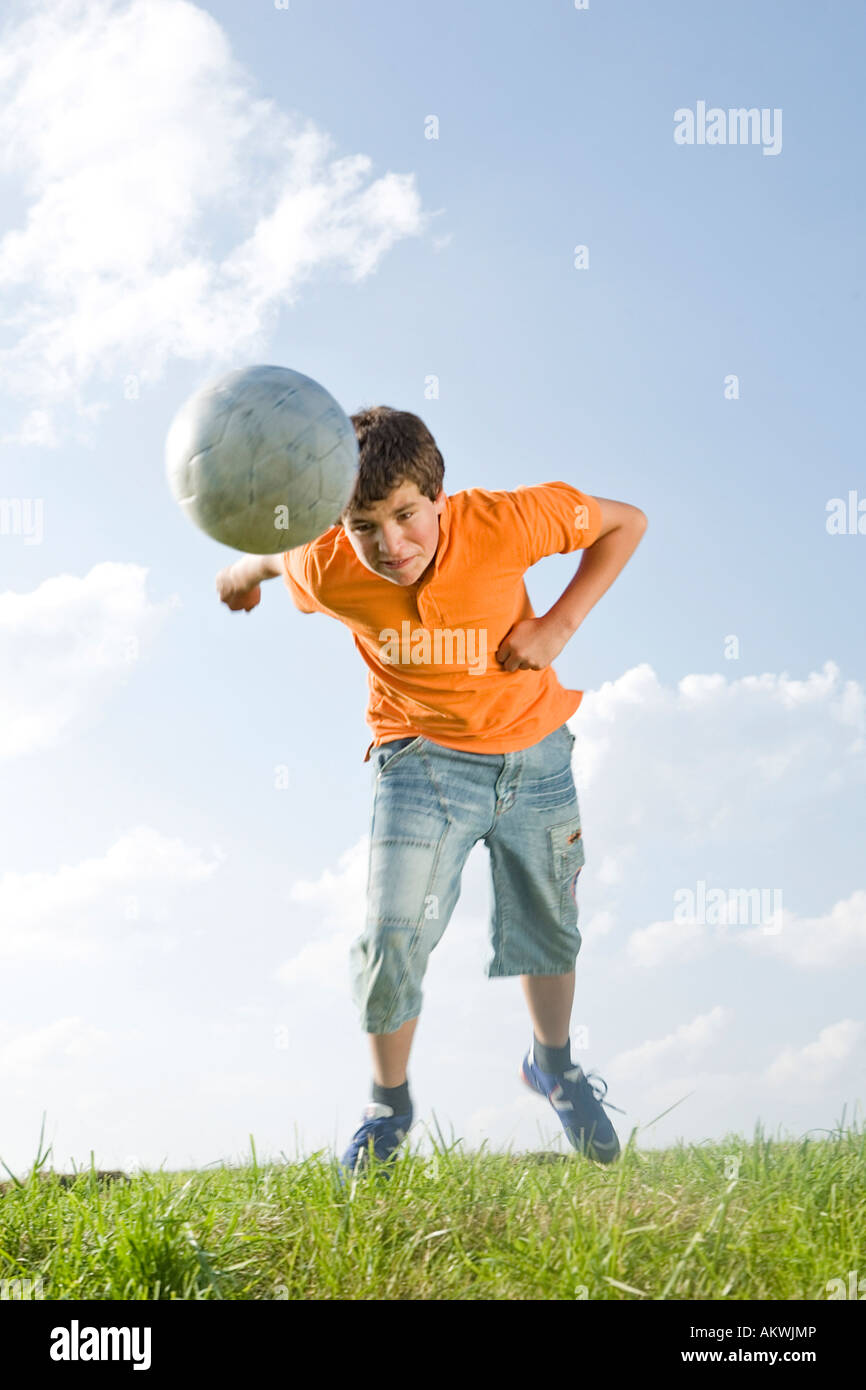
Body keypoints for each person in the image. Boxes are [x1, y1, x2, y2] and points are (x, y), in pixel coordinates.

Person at [216, 406, 646, 1179]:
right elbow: (281, 557)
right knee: (391, 936)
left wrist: (557, 626)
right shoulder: (326, 563)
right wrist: (240, 575)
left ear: (439, 496)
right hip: (418, 758)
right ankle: (389, 1103)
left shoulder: (510, 521)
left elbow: (627, 522)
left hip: (533, 750)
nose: (391, 545)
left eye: (407, 515)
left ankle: (554, 1066)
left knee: (548, 927)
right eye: (364, 525)